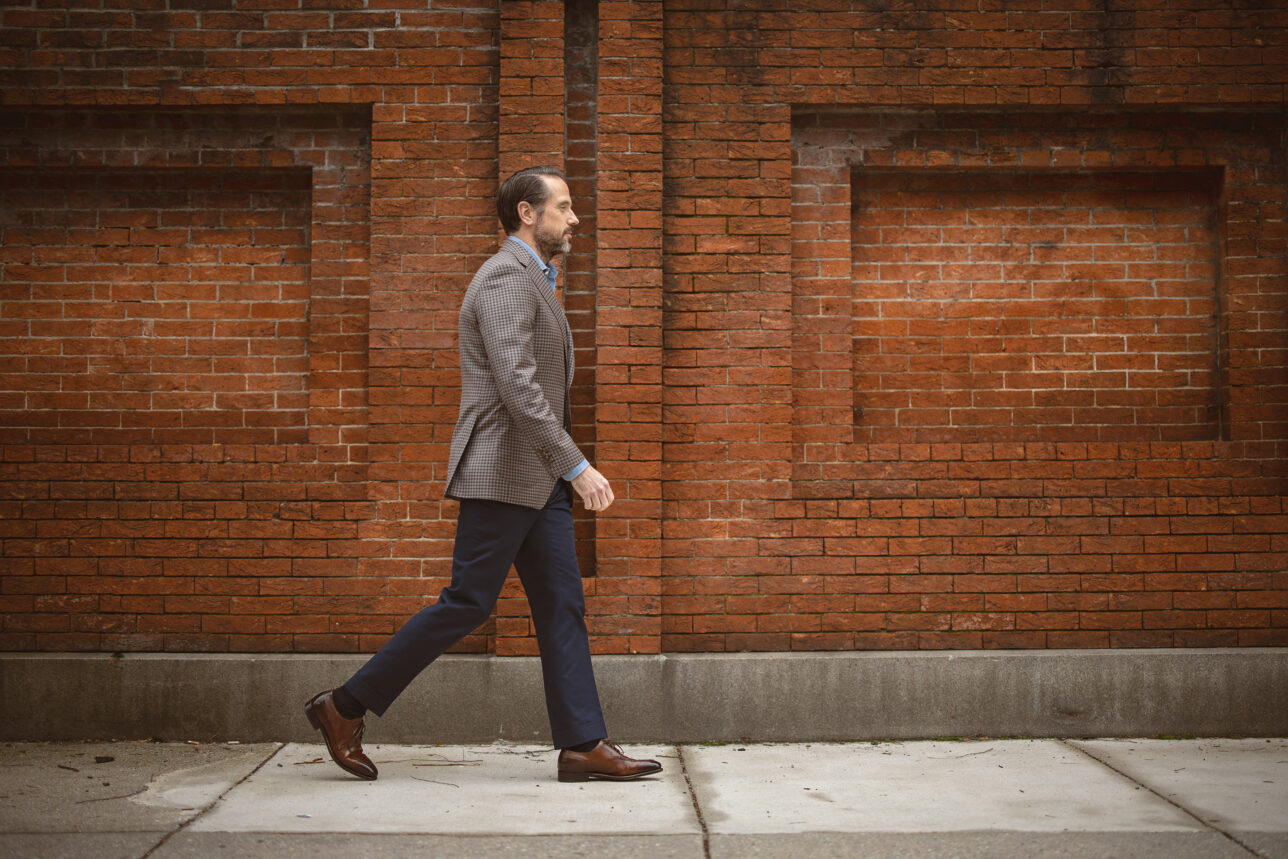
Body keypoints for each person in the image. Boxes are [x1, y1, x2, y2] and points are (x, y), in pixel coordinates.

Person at [304, 166, 661, 784]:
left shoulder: (537, 280)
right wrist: (576, 465)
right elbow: (517, 385)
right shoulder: (503, 277)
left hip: (536, 477)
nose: (575, 219)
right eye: (565, 206)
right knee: (467, 603)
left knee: (561, 606)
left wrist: (560, 469)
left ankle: (581, 745)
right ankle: (342, 707)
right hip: (502, 471)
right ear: (528, 212)